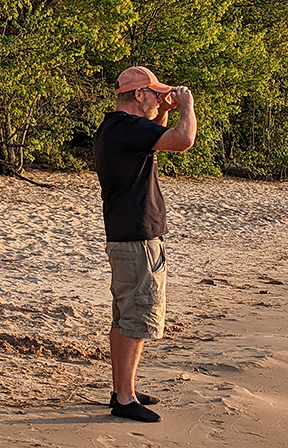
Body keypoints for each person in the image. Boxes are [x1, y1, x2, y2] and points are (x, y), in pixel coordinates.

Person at [93, 66, 197, 423]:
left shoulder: (115, 127)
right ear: (139, 96)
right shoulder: (130, 128)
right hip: (137, 239)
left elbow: (158, 133)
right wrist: (187, 106)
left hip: (125, 235)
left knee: (123, 317)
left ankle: (124, 390)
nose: (158, 99)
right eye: (154, 94)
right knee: (136, 317)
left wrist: (164, 107)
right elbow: (182, 140)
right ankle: (124, 398)